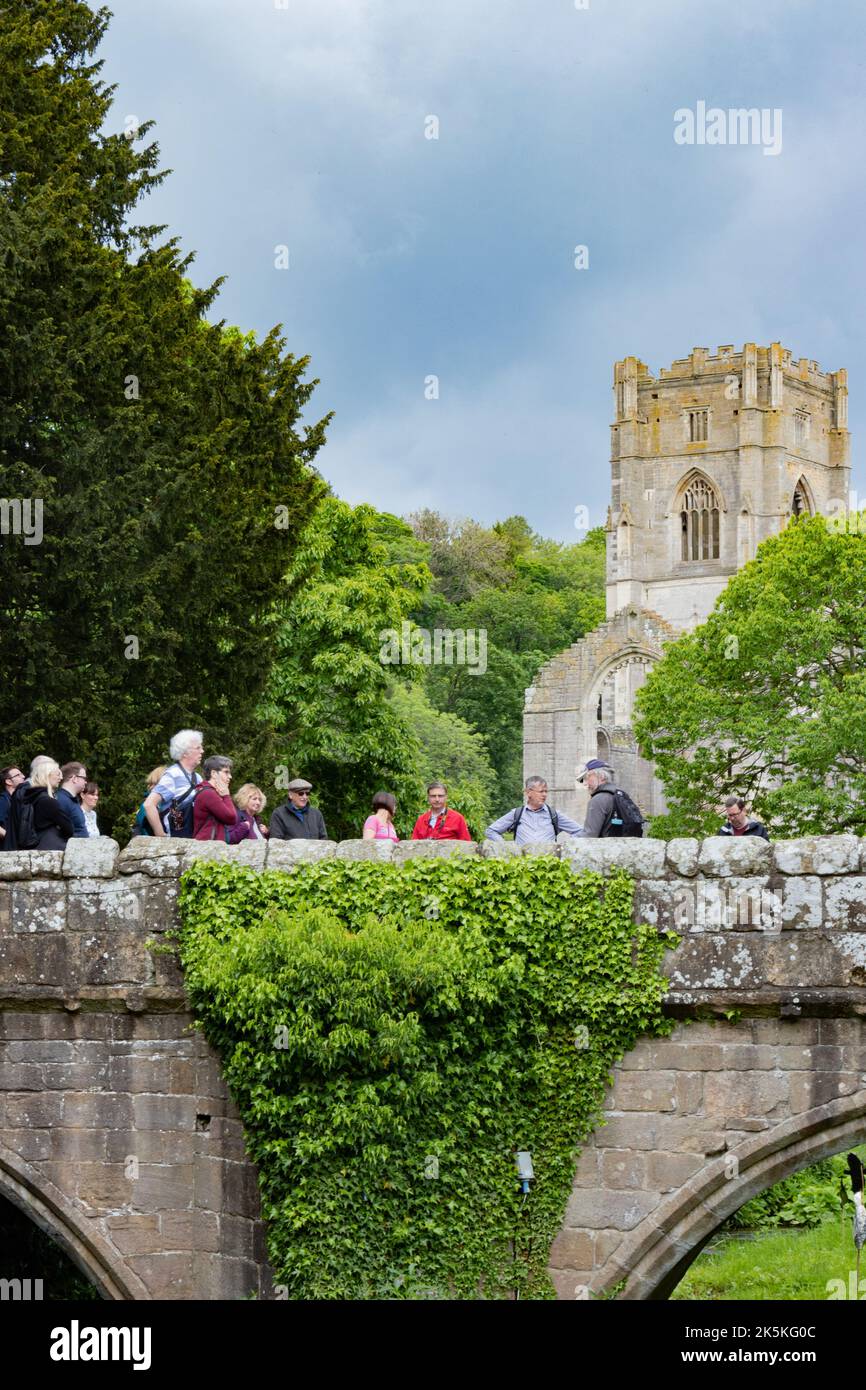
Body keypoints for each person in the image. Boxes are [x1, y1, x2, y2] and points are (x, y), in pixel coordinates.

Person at [485, 776, 582, 846]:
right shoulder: (516, 814)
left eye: (546, 791)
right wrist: (506, 847)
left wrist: (565, 847)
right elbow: (491, 831)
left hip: (549, 867)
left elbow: (580, 831)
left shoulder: (554, 815)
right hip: (522, 867)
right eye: (541, 791)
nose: (544, 795)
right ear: (528, 792)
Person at [142, 732, 204, 837]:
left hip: (193, 835)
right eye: (198, 748)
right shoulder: (173, 774)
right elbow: (149, 805)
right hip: (176, 836)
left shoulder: (197, 777)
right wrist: (160, 835)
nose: (202, 751)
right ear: (185, 752)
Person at [571, 759, 645, 838]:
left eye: (587, 777)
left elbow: (589, 835)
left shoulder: (598, 800)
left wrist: (570, 841)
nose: (585, 783)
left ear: (601, 776)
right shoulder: (620, 794)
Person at [19, 758, 74, 850]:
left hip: (34, 846)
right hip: (50, 846)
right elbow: (69, 829)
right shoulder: (48, 802)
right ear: (47, 776)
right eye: (57, 774)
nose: (60, 778)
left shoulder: (29, 796)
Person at [193, 756, 245, 842]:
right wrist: (226, 796)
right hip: (207, 847)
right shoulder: (208, 794)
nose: (230, 777)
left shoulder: (209, 791)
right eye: (226, 772)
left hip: (209, 845)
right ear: (213, 773)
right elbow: (231, 818)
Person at [57, 762, 90, 839]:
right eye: (84, 778)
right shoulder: (61, 800)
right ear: (74, 779)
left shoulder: (73, 800)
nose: (86, 782)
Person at [0, 765, 25, 849]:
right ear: (9, 782)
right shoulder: (3, 800)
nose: (23, 776)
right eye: (18, 775)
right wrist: (10, 839)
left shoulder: (18, 799)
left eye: (22, 774)